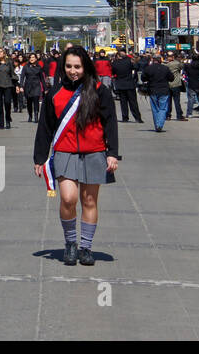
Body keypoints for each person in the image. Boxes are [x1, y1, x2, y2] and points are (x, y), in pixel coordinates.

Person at [33, 45, 119, 267]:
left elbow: (110, 123)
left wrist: (112, 154)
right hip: (65, 152)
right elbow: (45, 127)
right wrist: (39, 158)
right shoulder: (55, 93)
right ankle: (70, 243)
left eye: (77, 67)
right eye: (69, 66)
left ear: (85, 67)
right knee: (68, 199)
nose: (73, 71)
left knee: (89, 200)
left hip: (94, 152)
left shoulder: (100, 90)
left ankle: (86, 247)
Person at [140, 53, 172, 132]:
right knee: (163, 108)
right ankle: (159, 124)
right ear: (160, 60)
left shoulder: (148, 68)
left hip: (153, 90)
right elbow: (171, 78)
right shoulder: (165, 68)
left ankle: (157, 125)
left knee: (155, 108)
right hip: (164, 90)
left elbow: (143, 78)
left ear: (153, 60)